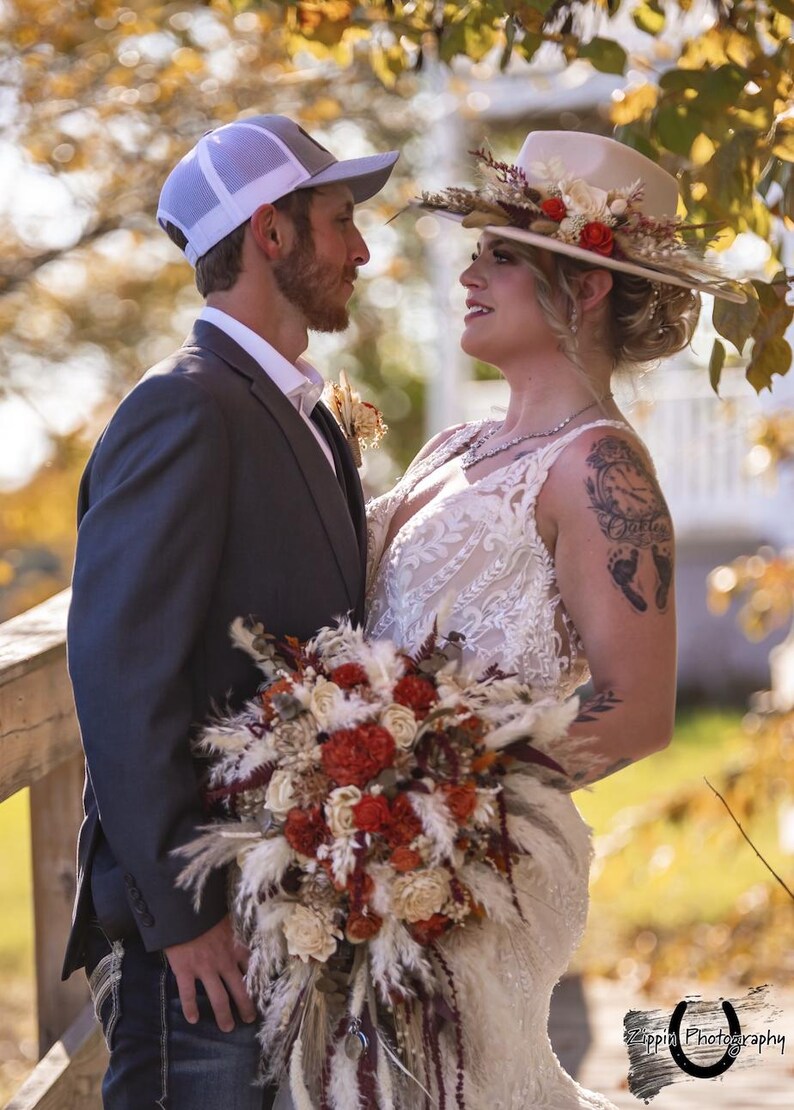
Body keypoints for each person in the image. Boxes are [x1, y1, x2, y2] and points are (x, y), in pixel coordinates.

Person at [363, 130, 745, 1107]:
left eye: (501, 254)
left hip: (475, 859)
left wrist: (442, 810)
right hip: (370, 853)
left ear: (582, 288)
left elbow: (634, 714)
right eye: (475, 249)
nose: (467, 272)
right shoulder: (451, 444)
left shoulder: (597, 469)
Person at [62, 114, 397, 1109]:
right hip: (200, 957)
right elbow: (120, 670)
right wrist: (180, 913)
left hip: (290, 924)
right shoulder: (184, 408)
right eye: (340, 219)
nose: (362, 249)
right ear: (271, 232)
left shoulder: (302, 415)